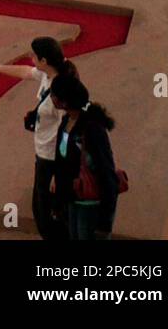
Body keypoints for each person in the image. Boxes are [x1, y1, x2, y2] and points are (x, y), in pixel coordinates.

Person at [0, 38, 77, 240]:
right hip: (45, 155)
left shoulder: (61, 91)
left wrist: (60, 171)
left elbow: (69, 130)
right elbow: (26, 72)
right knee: (42, 209)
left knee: (47, 214)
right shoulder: (50, 75)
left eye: (34, 55)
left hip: (54, 159)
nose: (30, 58)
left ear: (44, 60)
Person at [50, 75, 120, 240]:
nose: (51, 97)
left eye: (53, 94)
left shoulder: (92, 129)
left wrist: (105, 224)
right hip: (73, 199)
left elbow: (107, 174)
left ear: (64, 102)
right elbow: (63, 161)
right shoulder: (67, 121)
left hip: (90, 205)